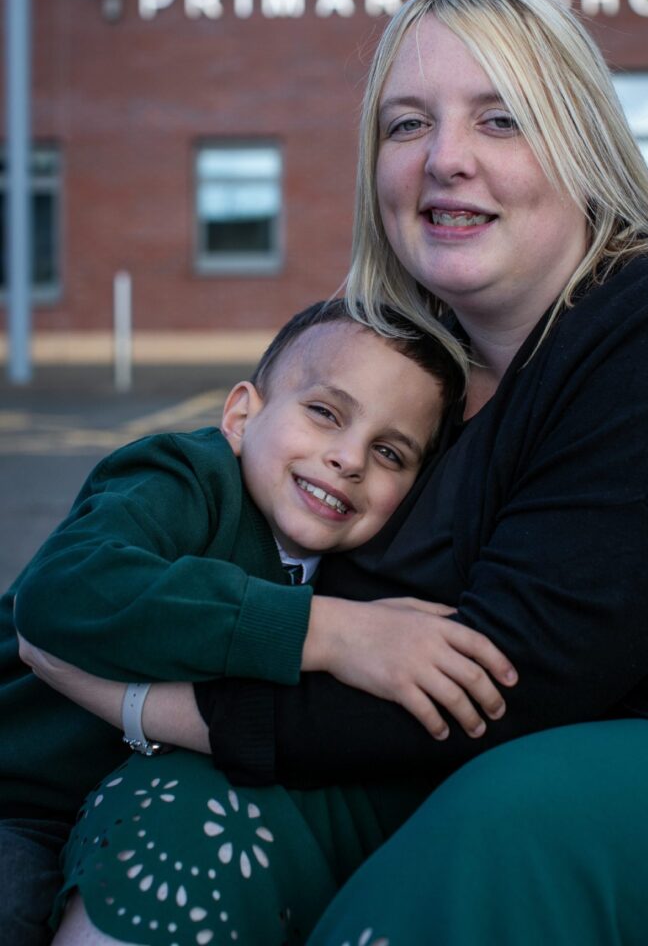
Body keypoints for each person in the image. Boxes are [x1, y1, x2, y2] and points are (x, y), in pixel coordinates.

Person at [19, 0, 648, 946]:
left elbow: (501, 682)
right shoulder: (401, 376)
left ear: (584, 145)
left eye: (501, 121)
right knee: (179, 811)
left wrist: (132, 701)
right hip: (419, 760)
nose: (445, 160)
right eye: (406, 125)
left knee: (515, 820)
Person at [4, 296, 515, 946]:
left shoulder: (367, 566)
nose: (349, 458)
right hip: (21, 803)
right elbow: (60, 595)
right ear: (242, 415)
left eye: (390, 453)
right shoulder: (183, 476)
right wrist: (325, 633)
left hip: (127, 802)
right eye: (326, 413)